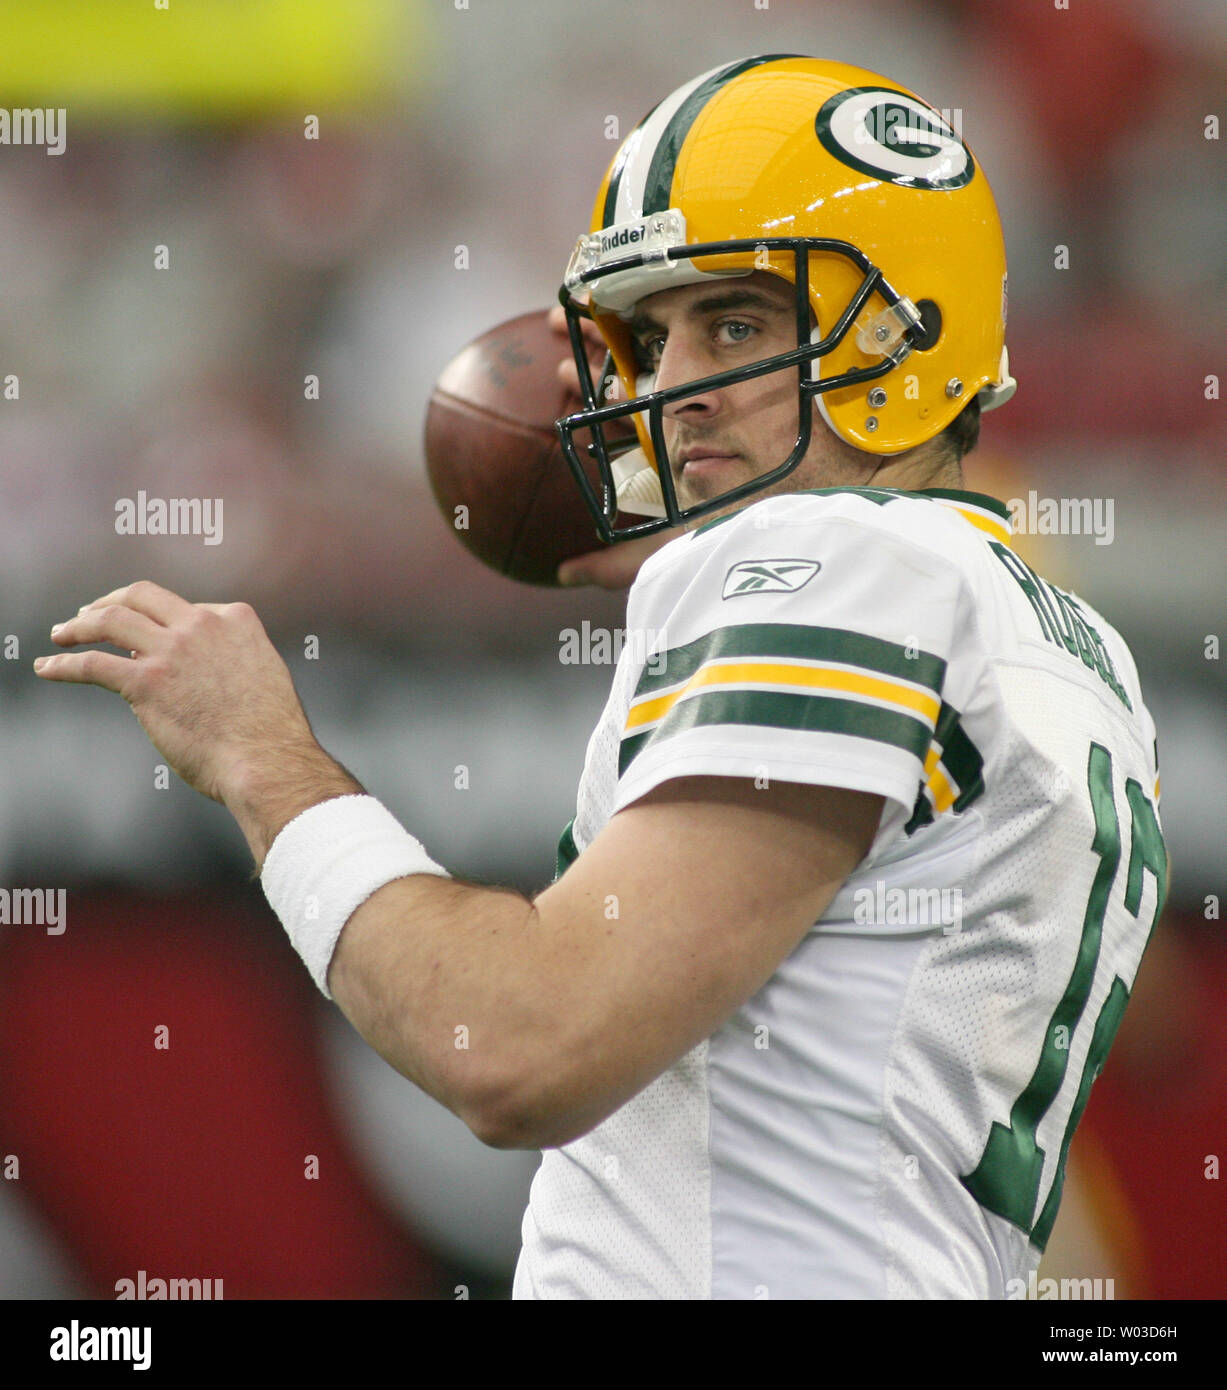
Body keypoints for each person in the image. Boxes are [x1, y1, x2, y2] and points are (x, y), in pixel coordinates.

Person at [35, 56, 1166, 1299]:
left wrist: (265, 763)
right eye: (649, 336)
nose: (672, 388)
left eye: (733, 322)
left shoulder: (842, 565)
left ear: (908, 334)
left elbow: (519, 1046)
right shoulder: (1065, 640)